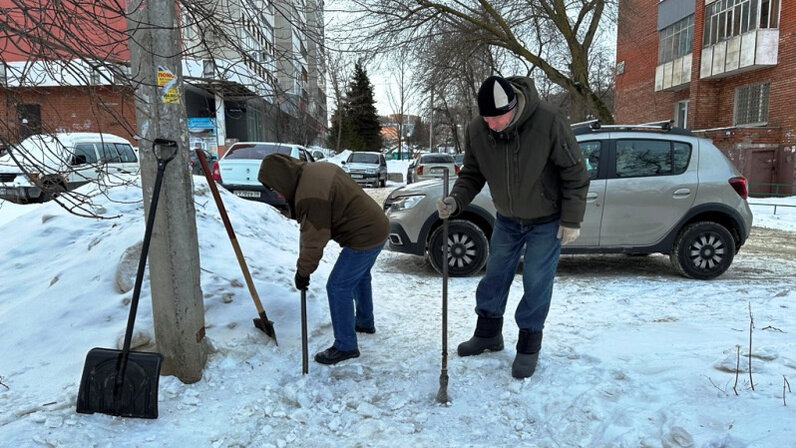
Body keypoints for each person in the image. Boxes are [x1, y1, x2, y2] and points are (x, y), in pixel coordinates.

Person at [436, 75, 590, 379]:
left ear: (513, 106)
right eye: (486, 119)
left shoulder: (548, 121)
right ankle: (488, 334)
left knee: (535, 281)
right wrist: (455, 201)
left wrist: (571, 219)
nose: (492, 125)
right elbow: (472, 174)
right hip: (508, 218)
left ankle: (528, 347)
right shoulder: (477, 130)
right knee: (494, 276)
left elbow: (575, 172)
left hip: (547, 220)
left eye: (498, 118)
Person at [258, 153, 389, 365]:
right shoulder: (314, 170)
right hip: (376, 226)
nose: (277, 193)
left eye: (274, 187)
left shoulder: (310, 194)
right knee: (360, 276)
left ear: (280, 178)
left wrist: (303, 272)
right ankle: (365, 322)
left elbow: (314, 240)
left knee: (338, 286)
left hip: (364, 235)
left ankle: (346, 346)